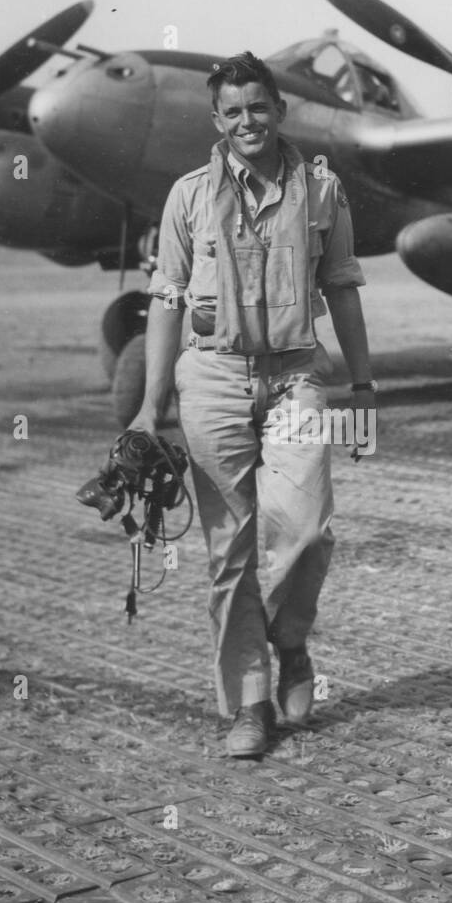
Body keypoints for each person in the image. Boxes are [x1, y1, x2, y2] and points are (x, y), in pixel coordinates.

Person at [131, 51, 377, 757]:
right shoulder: (187, 197)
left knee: (305, 529)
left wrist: (363, 386)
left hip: (297, 374)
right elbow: (168, 301)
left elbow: (346, 290)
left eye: (258, 108)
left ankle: (290, 642)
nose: (248, 122)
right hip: (211, 379)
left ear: (280, 111)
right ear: (217, 120)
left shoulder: (324, 192)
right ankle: (250, 704)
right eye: (233, 112)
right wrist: (152, 409)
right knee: (230, 551)